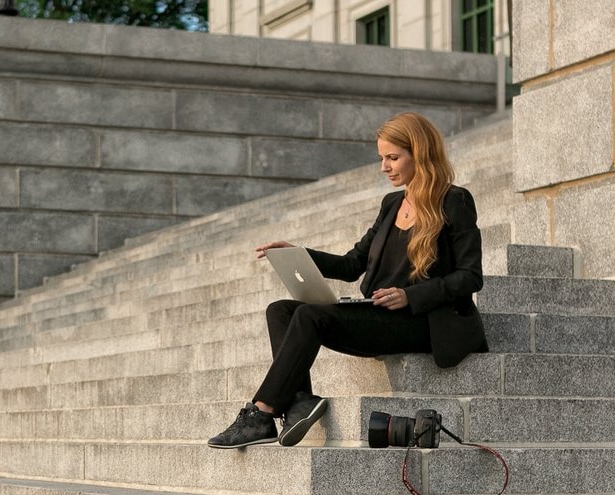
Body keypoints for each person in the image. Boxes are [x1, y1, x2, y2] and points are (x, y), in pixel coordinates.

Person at [207, 112, 488, 449]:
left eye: (393, 157)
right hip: (380, 312)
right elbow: (353, 263)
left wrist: (410, 296)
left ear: (421, 153)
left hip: (423, 321)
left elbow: (470, 277)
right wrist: (300, 254)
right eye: (382, 158)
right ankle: (299, 402)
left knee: (310, 316)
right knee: (280, 310)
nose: (384, 166)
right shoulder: (392, 204)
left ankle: (262, 413)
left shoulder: (454, 201)